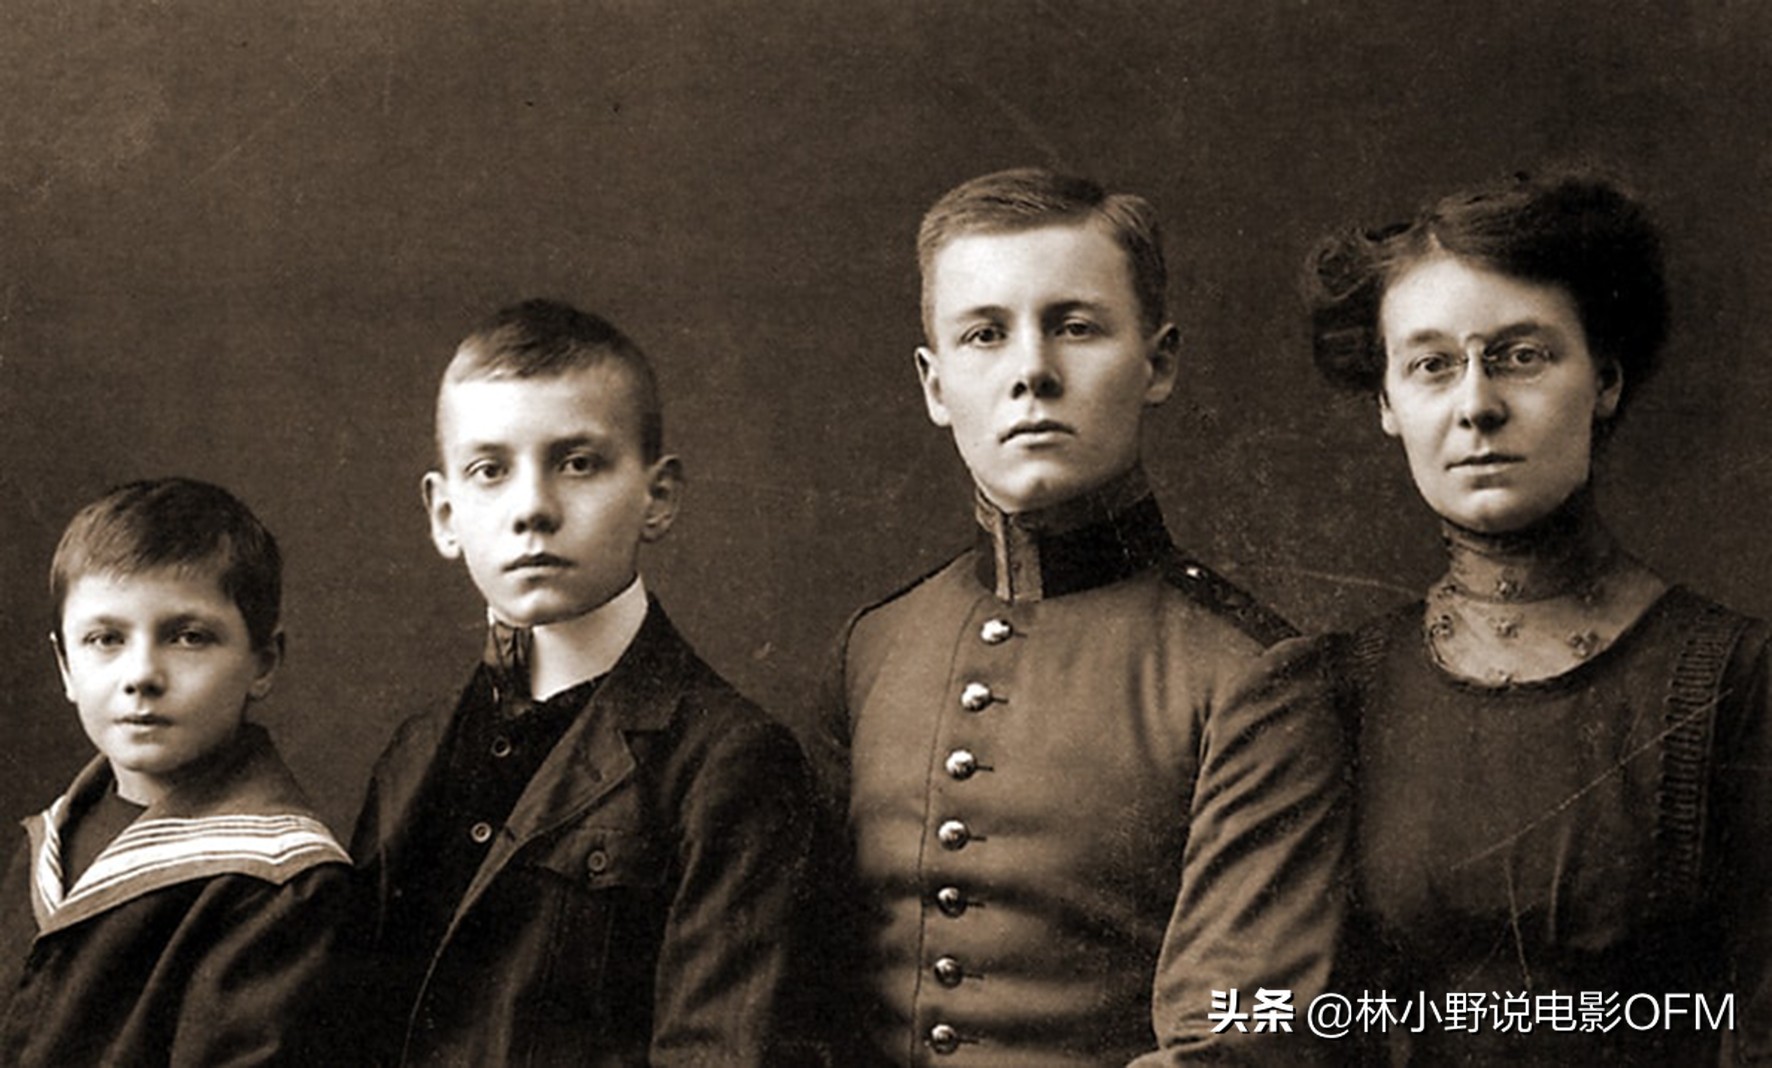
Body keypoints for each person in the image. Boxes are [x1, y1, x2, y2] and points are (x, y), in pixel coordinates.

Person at [822, 167, 1348, 1066]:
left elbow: (1235, 1042)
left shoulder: (1250, 674)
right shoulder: (875, 648)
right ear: (935, 385)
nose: (1032, 371)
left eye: (1075, 327)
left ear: (1159, 363)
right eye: (984, 335)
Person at [1306, 171, 1772, 1063]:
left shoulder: (1738, 680)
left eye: (1521, 356)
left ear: (1604, 381)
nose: (1476, 404)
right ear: (1387, 405)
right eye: (1432, 365)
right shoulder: (1336, 690)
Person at [347, 298, 820, 1066]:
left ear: (657, 498)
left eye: (577, 463)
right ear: (444, 514)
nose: (532, 508)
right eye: (490, 471)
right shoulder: (415, 752)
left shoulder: (728, 762)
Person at [0, 477, 351, 1066]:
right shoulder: (49, 839)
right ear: (64, 666)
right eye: (105, 639)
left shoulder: (276, 884)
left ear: (263, 663)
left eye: (188, 637)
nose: (141, 674)